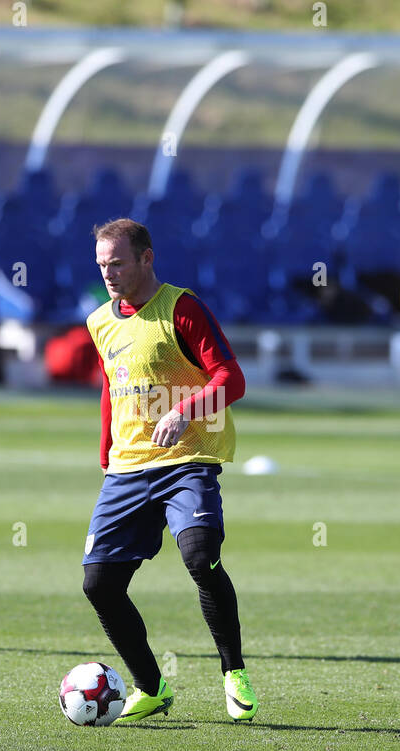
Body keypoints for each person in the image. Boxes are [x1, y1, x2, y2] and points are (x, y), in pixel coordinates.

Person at [81, 218, 256, 724]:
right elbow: (114, 388)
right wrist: (105, 454)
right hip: (127, 468)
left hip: (187, 460)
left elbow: (232, 378)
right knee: (99, 585)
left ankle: (233, 672)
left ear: (146, 258)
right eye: (101, 265)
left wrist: (185, 411)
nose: (108, 273)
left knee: (201, 557)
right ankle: (151, 687)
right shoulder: (99, 321)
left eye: (117, 262)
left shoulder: (182, 307)